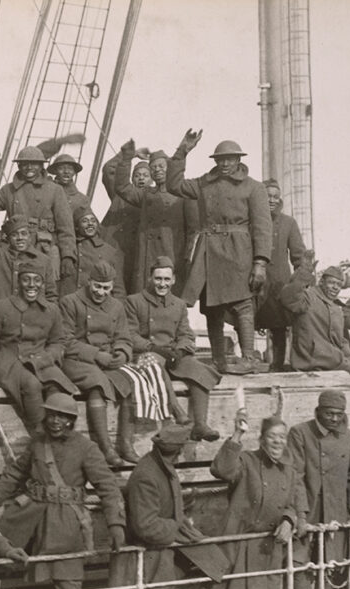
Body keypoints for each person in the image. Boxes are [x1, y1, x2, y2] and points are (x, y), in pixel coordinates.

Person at [0, 393, 126, 589]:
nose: (56, 421)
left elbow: (108, 487)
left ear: (72, 420)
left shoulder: (86, 448)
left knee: (69, 580)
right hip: (31, 515)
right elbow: (15, 473)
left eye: (62, 416)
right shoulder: (38, 443)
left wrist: (116, 523)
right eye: (51, 415)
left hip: (65, 520)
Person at [106, 424, 219, 589]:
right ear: (176, 451)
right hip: (137, 552)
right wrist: (176, 523)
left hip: (159, 550)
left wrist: (179, 510)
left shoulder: (162, 467)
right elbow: (146, 525)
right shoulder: (147, 473)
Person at [205, 414, 307, 589]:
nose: (277, 442)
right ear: (262, 439)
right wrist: (237, 435)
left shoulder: (290, 471)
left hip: (267, 549)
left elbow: (295, 504)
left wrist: (289, 520)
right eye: (272, 436)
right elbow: (221, 469)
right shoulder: (247, 461)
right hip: (239, 545)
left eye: (282, 437)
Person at [166, 131, 272, 372]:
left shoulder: (254, 188)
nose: (225, 164)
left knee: (242, 304)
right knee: (211, 305)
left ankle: (248, 358)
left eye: (230, 159)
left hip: (239, 252)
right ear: (215, 161)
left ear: (238, 160)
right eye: (220, 159)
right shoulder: (204, 184)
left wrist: (260, 262)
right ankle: (218, 359)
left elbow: (263, 227)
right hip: (209, 252)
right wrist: (183, 150)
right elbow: (174, 185)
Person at [285, 390, 350, 589]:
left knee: (327, 575)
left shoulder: (348, 437)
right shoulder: (300, 433)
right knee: (298, 569)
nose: (333, 419)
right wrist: (301, 515)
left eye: (338, 415)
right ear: (318, 411)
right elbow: (294, 476)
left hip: (336, 515)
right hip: (307, 512)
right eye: (329, 414)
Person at [125, 256, 221, 441]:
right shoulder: (134, 301)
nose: (162, 284)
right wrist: (153, 347)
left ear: (173, 280)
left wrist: (181, 350)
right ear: (150, 278)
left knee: (198, 369)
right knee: (152, 362)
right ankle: (178, 411)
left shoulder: (178, 304)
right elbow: (130, 334)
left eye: (167, 279)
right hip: (148, 353)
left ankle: (200, 424)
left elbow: (186, 334)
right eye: (158, 279)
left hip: (172, 355)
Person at [0, 259, 77, 435]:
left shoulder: (51, 310)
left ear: (42, 283)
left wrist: (47, 357)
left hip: (41, 359)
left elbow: (58, 341)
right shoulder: (1, 307)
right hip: (10, 360)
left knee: (57, 387)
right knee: (32, 385)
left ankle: (60, 436)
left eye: (37, 280)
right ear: (19, 282)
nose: (31, 285)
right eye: (26, 279)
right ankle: (40, 438)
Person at [60, 261, 136, 466]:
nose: (101, 293)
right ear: (89, 282)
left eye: (106, 288)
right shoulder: (70, 302)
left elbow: (124, 338)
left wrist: (122, 353)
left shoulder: (117, 306)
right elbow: (64, 341)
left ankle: (126, 445)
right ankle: (105, 447)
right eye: (97, 287)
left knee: (130, 383)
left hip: (108, 359)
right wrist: (95, 354)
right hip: (78, 359)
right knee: (96, 384)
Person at [0, 146, 77, 294]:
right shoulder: (9, 190)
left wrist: (68, 256)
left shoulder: (55, 190)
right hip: (14, 251)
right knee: (10, 289)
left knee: (43, 292)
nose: (29, 167)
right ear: (19, 166)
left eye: (34, 163)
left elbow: (66, 227)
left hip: (42, 250)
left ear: (41, 166)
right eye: (25, 163)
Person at [111, 140, 200, 294]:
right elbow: (122, 187)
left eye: (161, 166)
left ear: (169, 169)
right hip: (145, 259)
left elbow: (193, 230)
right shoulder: (146, 195)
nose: (157, 170)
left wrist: (187, 259)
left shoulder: (184, 196)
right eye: (153, 168)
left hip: (173, 257)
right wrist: (127, 158)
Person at [279, 261, 350, 374]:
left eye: (339, 285)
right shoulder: (307, 297)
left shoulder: (337, 309)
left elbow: (341, 342)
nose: (335, 288)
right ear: (321, 282)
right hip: (311, 359)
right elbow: (288, 296)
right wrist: (304, 272)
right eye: (332, 283)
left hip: (331, 360)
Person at [255, 179, 305, 371]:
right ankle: (249, 359)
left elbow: (298, 254)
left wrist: (301, 280)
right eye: (268, 196)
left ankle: (278, 363)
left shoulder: (288, 223)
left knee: (279, 325)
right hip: (256, 279)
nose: (272, 200)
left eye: (276, 197)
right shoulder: (252, 220)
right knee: (248, 319)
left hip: (279, 281)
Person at [100, 150, 151, 291]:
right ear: (132, 179)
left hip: (135, 254)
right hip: (113, 249)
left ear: (152, 180)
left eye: (145, 176)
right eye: (137, 175)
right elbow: (109, 169)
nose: (141, 179)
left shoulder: (153, 200)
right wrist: (131, 155)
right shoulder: (120, 194)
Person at [69, 206, 127, 299]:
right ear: (76, 227)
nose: (90, 224)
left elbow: (118, 289)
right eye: (84, 221)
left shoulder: (110, 251)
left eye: (93, 220)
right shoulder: (69, 249)